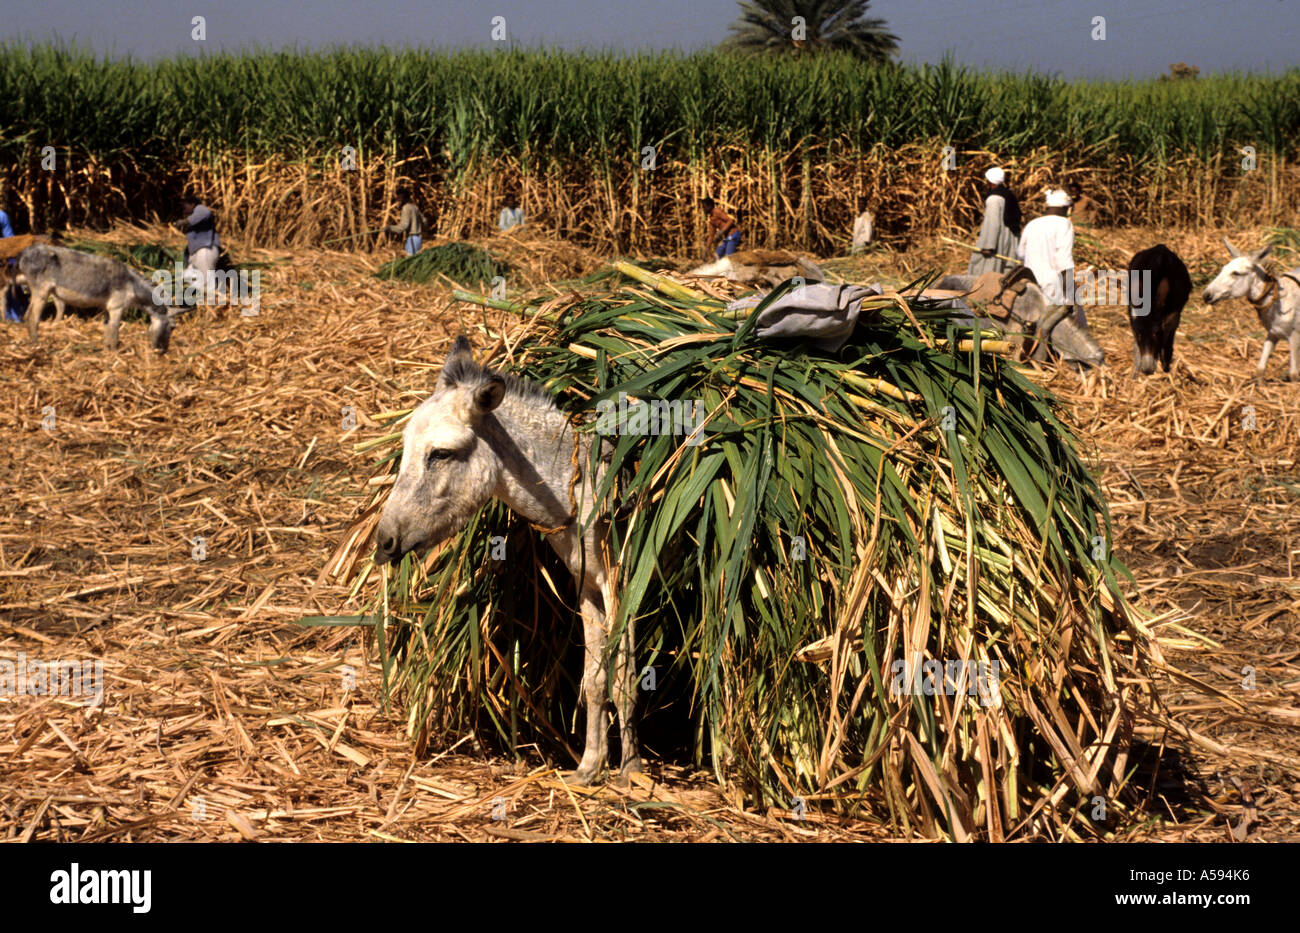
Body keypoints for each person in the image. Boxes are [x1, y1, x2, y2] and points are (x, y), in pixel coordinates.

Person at [1017, 188, 1085, 327]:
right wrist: (1070, 294)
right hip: (1054, 285)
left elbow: (1020, 254)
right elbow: (1063, 260)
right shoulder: (1064, 224)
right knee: (1072, 326)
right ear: (1066, 208)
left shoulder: (1032, 224)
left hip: (1031, 284)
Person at [968, 167, 1022, 276]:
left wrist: (989, 246)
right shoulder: (1008, 195)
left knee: (988, 270)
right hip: (1009, 239)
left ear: (989, 181)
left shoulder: (994, 199)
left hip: (997, 240)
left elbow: (993, 223)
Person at [174, 193, 221, 302]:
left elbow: (206, 213)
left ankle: (213, 305)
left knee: (207, 282)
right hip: (196, 254)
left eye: (185, 206)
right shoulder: (193, 221)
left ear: (192, 204)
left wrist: (184, 222)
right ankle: (206, 299)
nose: (183, 209)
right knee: (187, 276)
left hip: (205, 250)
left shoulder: (200, 209)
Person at [386, 188, 425, 255]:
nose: (397, 201)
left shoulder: (406, 208)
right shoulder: (414, 207)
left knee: (410, 261)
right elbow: (424, 221)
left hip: (412, 239)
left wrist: (389, 228)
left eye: (399, 199)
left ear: (404, 199)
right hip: (418, 238)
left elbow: (403, 226)